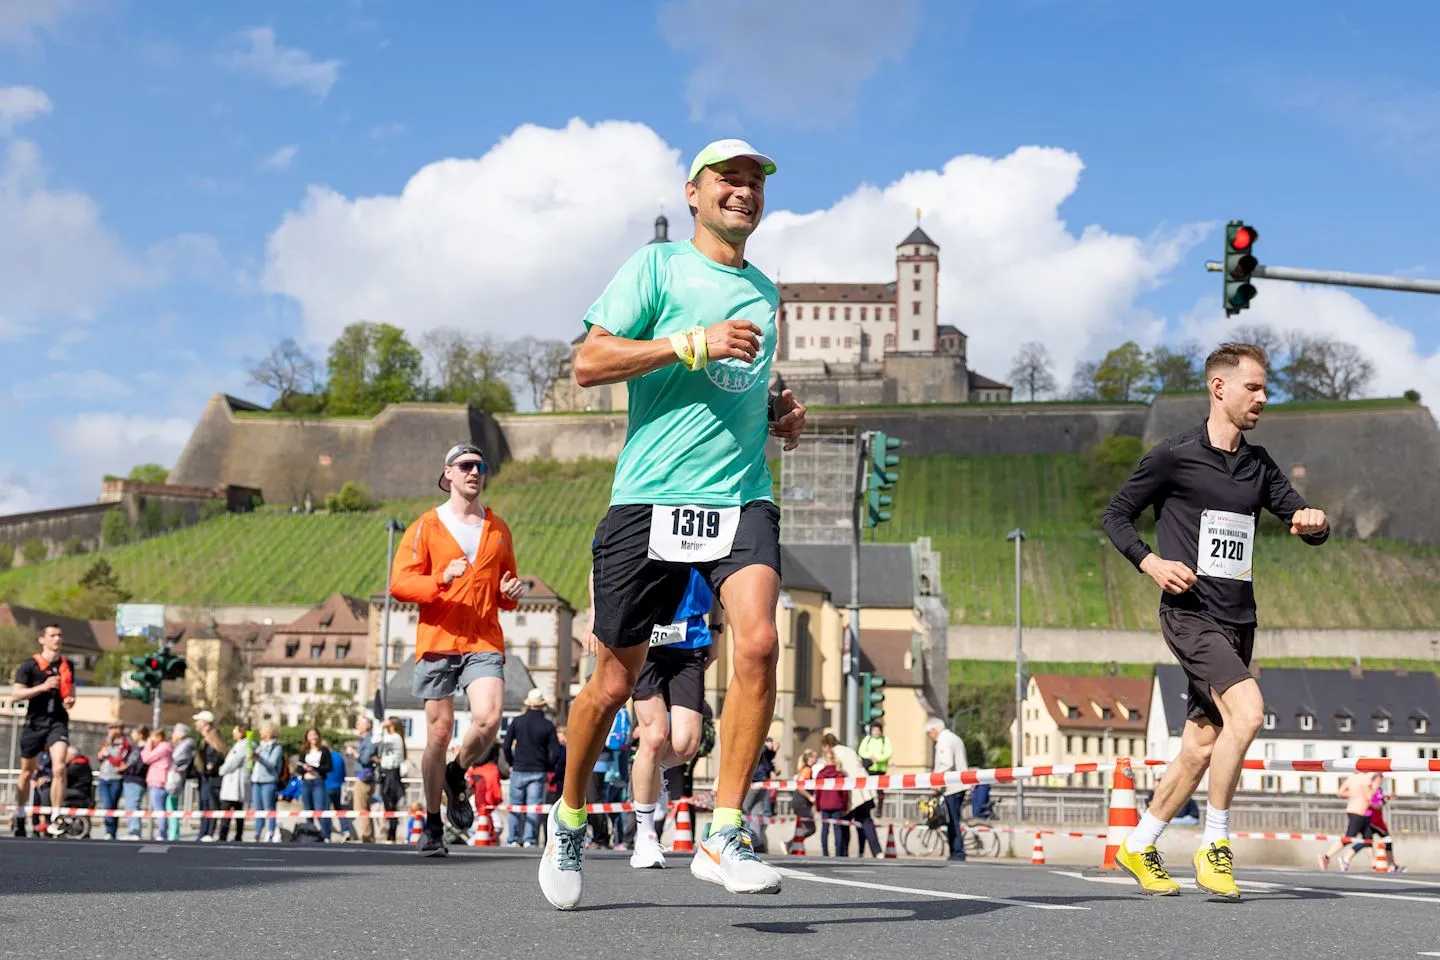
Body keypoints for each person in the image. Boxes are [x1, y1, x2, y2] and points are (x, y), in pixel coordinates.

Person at [539, 136, 806, 909]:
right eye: (729, 180)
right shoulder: (655, 269)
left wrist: (776, 409)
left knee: (758, 640)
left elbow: (742, 381)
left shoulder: (764, 292)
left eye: (755, 182)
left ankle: (722, 832)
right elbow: (590, 362)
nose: (744, 193)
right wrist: (690, 342)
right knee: (612, 683)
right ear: (693, 192)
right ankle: (569, 816)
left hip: (739, 495)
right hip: (652, 496)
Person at [1103, 342, 1330, 900]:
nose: (1263, 398)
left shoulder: (1259, 465)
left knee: (1202, 746)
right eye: (1253, 387)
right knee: (1247, 714)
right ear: (1219, 387)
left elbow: (1300, 518)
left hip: (1239, 620)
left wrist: (1313, 521)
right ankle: (1215, 845)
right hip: (1190, 615)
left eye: (1265, 388)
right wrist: (1151, 562)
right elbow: (1115, 515)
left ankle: (1140, 842)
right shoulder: (1173, 455)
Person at [390, 441, 529, 857]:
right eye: (466, 465)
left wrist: (510, 592)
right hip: (438, 639)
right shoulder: (425, 528)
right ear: (447, 473)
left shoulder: (498, 529)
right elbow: (399, 584)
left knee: (489, 721)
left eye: (480, 466)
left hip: (483, 638)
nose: (475, 471)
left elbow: (507, 587)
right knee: (437, 731)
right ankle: (433, 824)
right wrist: (439, 580)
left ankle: (457, 770)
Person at [593, 564, 719, 870]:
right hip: (644, 638)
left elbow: (720, 579)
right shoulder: (645, 517)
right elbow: (601, 563)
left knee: (687, 745)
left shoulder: (710, 519)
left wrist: (717, 630)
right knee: (653, 736)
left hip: (690, 638)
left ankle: (655, 770)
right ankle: (646, 835)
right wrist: (597, 616)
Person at [11, 623, 77, 838]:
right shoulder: (30, 666)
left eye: (60, 635)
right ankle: (20, 815)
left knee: (59, 768)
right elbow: (16, 694)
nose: (57, 639)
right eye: (52, 635)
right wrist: (43, 687)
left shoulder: (67, 665)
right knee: (27, 772)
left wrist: (69, 700)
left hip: (57, 721)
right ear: (43, 639)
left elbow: (71, 691)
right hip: (34, 722)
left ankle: (56, 817)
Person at [504, 688, 560, 848]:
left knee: (515, 805)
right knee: (533, 807)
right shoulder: (547, 725)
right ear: (542, 706)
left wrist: (511, 762)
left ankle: (513, 839)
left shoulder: (517, 722)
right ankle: (530, 839)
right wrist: (548, 766)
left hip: (519, 768)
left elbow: (506, 745)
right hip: (538, 770)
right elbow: (556, 751)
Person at [824, 731, 879, 858]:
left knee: (845, 824)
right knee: (866, 822)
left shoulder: (833, 753)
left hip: (849, 793)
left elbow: (836, 771)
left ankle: (844, 853)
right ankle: (876, 852)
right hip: (864, 788)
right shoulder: (848, 750)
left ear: (827, 745)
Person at [926, 718, 969, 862]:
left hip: (952, 786)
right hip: (960, 784)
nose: (929, 736)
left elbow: (946, 763)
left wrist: (936, 781)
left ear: (934, 730)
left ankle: (957, 851)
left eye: (929, 733)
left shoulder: (944, 741)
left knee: (952, 820)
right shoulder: (954, 738)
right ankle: (956, 850)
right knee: (953, 819)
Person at [1321, 771, 1381, 870]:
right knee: (1349, 837)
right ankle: (1327, 855)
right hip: (1360, 811)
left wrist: (1354, 794)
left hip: (1354, 810)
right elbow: (1369, 797)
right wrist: (1374, 791)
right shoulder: (1366, 779)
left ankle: (1373, 864)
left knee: (1368, 838)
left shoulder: (1351, 778)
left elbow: (1340, 792)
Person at [94, 722, 132, 841]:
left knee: (112, 804)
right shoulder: (106, 742)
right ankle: (108, 830)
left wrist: (108, 755)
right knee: (106, 804)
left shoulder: (125, 744)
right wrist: (102, 754)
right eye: (110, 729)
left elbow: (119, 761)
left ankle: (112, 831)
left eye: (115, 728)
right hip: (104, 777)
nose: (112, 731)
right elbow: (99, 757)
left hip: (116, 778)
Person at [193, 711, 226, 843]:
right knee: (203, 805)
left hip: (212, 779)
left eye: (199, 721)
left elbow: (220, 755)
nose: (196, 724)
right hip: (203, 778)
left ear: (205, 724)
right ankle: (203, 831)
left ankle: (209, 832)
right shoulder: (202, 741)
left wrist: (212, 764)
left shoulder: (214, 739)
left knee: (210, 806)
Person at [742, 737, 779, 854]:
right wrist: (770, 749)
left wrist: (772, 751)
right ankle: (755, 844)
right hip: (757, 782)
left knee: (749, 813)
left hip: (756, 782)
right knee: (750, 814)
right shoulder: (759, 747)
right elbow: (763, 753)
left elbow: (765, 758)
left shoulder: (761, 749)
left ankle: (755, 845)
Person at [297, 727, 333, 840]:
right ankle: (309, 835)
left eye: (315, 735)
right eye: (310, 735)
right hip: (306, 782)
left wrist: (315, 768)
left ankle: (326, 835)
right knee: (308, 810)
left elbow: (329, 767)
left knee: (319, 810)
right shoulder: (304, 751)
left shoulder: (324, 750)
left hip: (318, 782)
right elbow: (299, 767)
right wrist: (305, 769)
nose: (313, 737)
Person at [217, 725, 251, 842]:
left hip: (235, 784)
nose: (233, 734)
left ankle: (235, 835)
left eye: (235, 732)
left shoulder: (243, 746)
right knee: (230, 812)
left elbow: (232, 763)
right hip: (232, 784)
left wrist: (221, 770)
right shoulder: (238, 745)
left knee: (235, 812)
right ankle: (225, 834)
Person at [250, 724, 284, 842]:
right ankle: (258, 832)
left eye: (263, 730)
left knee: (269, 808)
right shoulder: (260, 746)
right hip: (256, 780)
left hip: (268, 781)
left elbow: (271, 764)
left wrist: (259, 758)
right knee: (258, 809)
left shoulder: (276, 747)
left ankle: (271, 831)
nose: (260, 732)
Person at [376, 717, 407, 843]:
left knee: (391, 803)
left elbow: (377, 740)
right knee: (387, 803)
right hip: (386, 772)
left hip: (392, 773)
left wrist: (380, 727)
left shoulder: (395, 738)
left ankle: (392, 834)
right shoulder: (393, 738)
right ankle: (390, 832)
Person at [348, 718, 378, 843]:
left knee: (361, 808)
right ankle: (369, 835)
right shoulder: (366, 740)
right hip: (365, 776)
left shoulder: (369, 740)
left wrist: (354, 753)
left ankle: (367, 836)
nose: (357, 727)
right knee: (365, 808)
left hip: (364, 777)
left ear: (367, 726)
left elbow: (365, 759)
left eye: (359, 724)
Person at [814, 746, 848, 857]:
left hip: (824, 804)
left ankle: (825, 853)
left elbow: (818, 792)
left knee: (825, 829)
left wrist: (818, 805)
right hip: (837, 804)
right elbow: (844, 792)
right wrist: (844, 805)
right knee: (837, 829)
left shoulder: (820, 774)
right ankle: (838, 853)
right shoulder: (840, 774)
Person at [141, 728, 172, 842]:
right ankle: (162, 832)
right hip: (158, 780)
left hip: (158, 781)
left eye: (153, 737)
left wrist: (148, 744)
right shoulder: (166, 747)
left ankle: (162, 833)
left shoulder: (163, 747)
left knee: (159, 809)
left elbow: (146, 758)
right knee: (160, 809)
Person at [166, 723, 196, 841]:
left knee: (171, 805)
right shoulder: (181, 744)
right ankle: (173, 832)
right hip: (175, 777)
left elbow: (175, 757)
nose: (173, 735)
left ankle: (174, 833)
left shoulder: (186, 744)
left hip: (176, 778)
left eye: (175, 732)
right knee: (170, 805)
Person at [121, 725, 150, 840]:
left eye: (134, 732)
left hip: (136, 779)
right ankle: (131, 829)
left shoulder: (144, 749)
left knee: (133, 805)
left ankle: (135, 830)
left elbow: (140, 765)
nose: (132, 735)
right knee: (130, 805)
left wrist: (128, 769)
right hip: (130, 778)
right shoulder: (135, 748)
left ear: (140, 734)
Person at [857, 721, 893, 812]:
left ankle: (879, 809)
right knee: (868, 789)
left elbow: (888, 752)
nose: (876, 732)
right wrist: (870, 756)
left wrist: (878, 758)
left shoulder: (885, 740)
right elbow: (861, 751)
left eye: (878, 730)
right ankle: (868, 807)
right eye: (874, 730)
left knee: (880, 790)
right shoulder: (868, 739)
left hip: (880, 769)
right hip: (869, 768)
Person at [789, 749, 819, 850]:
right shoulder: (807, 770)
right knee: (811, 828)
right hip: (801, 802)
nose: (817, 759)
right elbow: (800, 787)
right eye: (815, 757)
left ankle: (793, 847)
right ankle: (790, 843)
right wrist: (810, 797)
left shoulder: (805, 769)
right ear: (810, 758)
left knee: (802, 827)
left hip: (799, 802)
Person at [325, 739, 350, 840]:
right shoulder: (339, 756)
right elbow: (344, 773)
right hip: (338, 787)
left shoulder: (324, 757)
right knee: (339, 809)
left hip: (326, 786)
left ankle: (327, 833)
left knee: (326, 812)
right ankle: (346, 830)